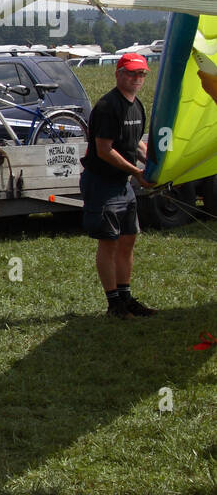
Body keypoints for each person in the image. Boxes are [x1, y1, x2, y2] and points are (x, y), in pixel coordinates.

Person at [80, 52, 156, 318]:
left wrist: (154, 163)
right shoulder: (107, 107)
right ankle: (114, 304)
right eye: (131, 73)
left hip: (122, 184)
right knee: (109, 243)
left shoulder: (137, 106)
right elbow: (103, 150)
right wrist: (137, 172)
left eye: (141, 74)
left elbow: (134, 142)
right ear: (118, 74)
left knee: (128, 240)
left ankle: (126, 297)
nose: (136, 78)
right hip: (102, 183)